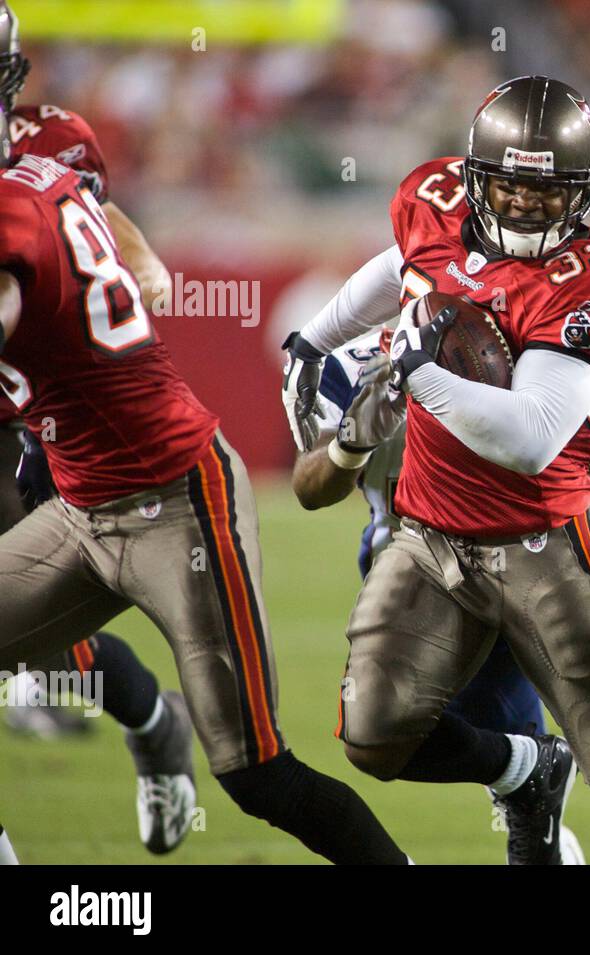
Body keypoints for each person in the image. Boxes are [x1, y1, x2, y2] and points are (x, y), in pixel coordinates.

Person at [279, 76, 590, 864]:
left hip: (539, 539)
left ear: (582, 194)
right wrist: (317, 334)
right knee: (371, 736)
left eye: (549, 192)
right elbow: (401, 263)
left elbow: (532, 438)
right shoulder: (432, 204)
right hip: (428, 535)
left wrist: (415, 372)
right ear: (474, 179)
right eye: (511, 185)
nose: (528, 206)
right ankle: (531, 770)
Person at [0, 105, 408, 864]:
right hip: (81, 505)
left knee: (256, 772)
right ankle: (154, 730)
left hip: (177, 499)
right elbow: (95, 212)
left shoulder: (15, 205)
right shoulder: (42, 174)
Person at [293, 334, 590, 861]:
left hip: (551, 546)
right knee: (483, 766)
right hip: (430, 573)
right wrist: (349, 443)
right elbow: (310, 487)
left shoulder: (544, 324)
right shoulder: (352, 364)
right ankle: (540, 808)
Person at [0, 2, 195, 855]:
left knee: (45, 651)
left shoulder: (49, 140)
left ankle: (155, 725)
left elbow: (90, 214)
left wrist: (144, 258)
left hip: (31, 415)